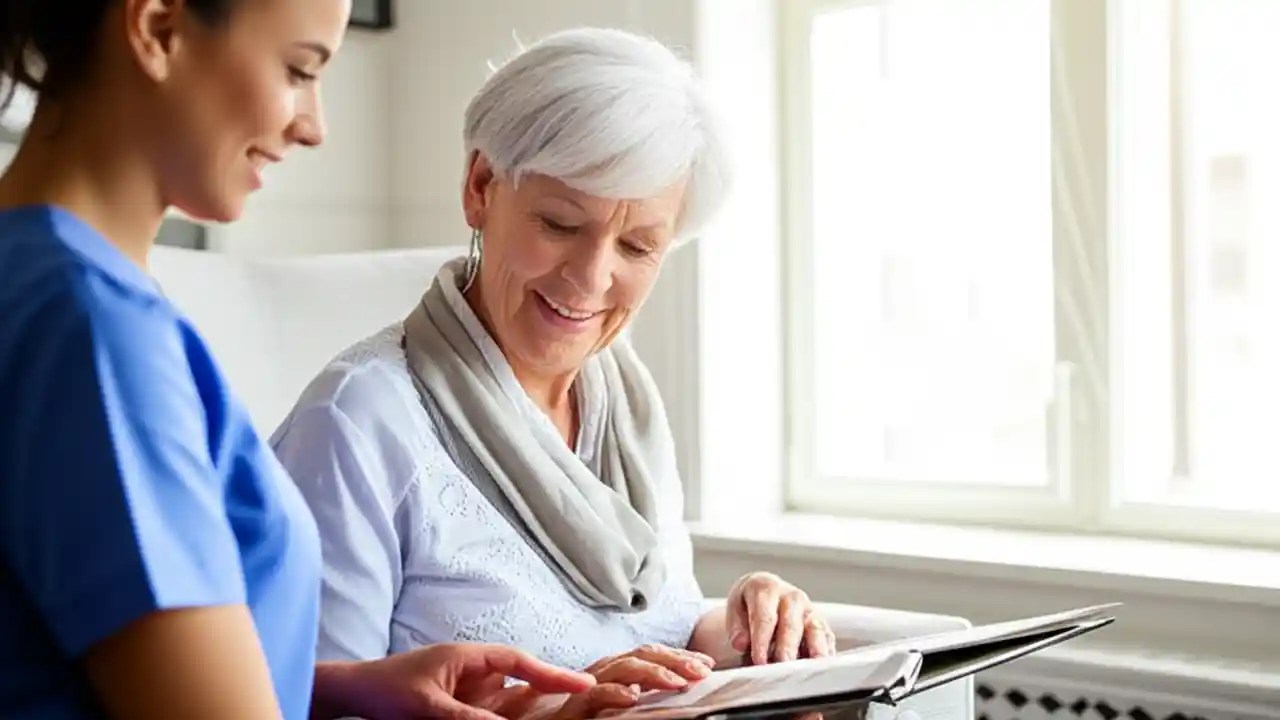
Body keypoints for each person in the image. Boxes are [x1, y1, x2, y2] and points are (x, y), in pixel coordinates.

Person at [0, 1, 610, 718]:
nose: (314, 125)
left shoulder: (36, 280)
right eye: (298, 70)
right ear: (159, 29)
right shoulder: (94, 332)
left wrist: (348, 689)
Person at [271, 27, 837, 706]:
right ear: (481, 187)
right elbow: (300, 701)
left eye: (636, 246)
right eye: (561, 226)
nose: (591, 280)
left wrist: (744, 625)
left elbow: (659, 628)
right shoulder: (358, 423)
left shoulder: (625, 405)